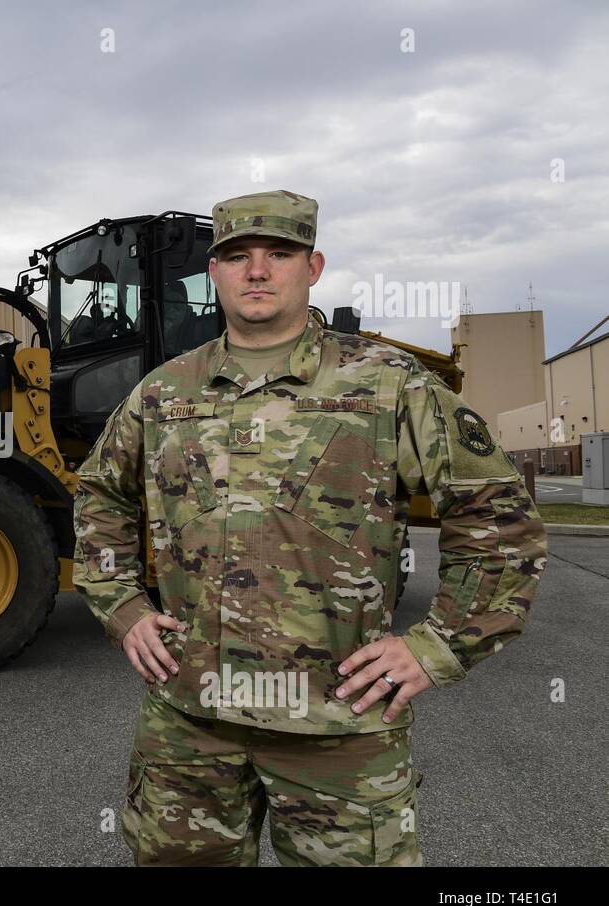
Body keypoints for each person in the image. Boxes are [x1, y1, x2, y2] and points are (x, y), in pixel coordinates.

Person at [72, 189, 547, 866]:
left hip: (339, 732)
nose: (257, 270)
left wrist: (439, 646)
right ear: (215, 274)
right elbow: (98, 493)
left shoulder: (387, 385)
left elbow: (498, 513)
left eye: (279, 254)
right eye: (236, 255)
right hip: (188, 725)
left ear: (313, 266)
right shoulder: (165, 393)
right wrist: (123, 607)